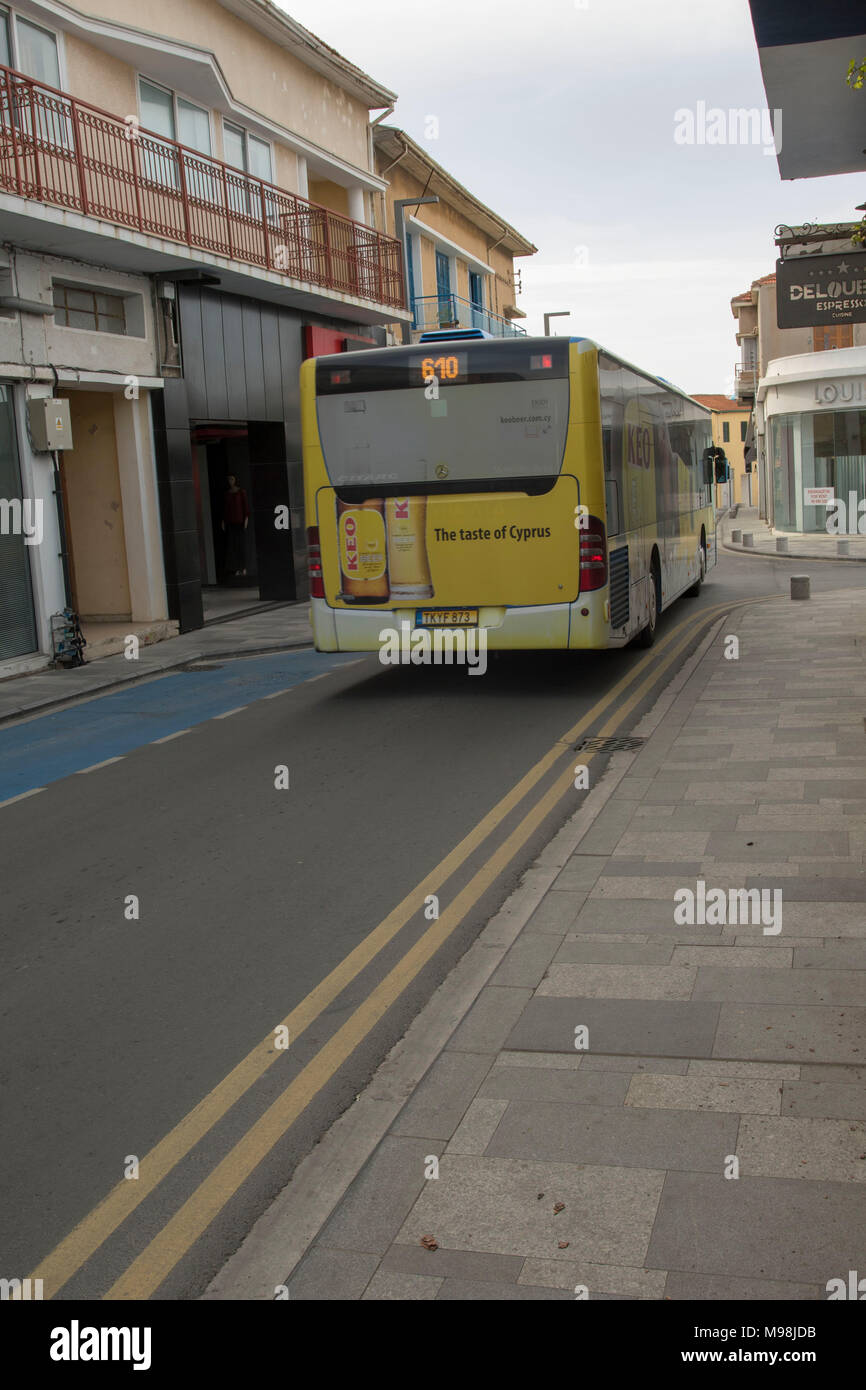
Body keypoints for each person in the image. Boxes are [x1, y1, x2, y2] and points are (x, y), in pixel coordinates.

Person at [221, 474, 249, 576]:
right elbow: (226, 508)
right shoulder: (227, 494)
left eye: (232, 479)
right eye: (229, 479)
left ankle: (243, 567)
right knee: (233, 546)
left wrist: (246, 518)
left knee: (241, 545)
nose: (230, 481)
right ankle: (236, 567)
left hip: (240, 522)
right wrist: (224, 520)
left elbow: (245, 506)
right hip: (231, 522)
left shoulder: (241, 492)